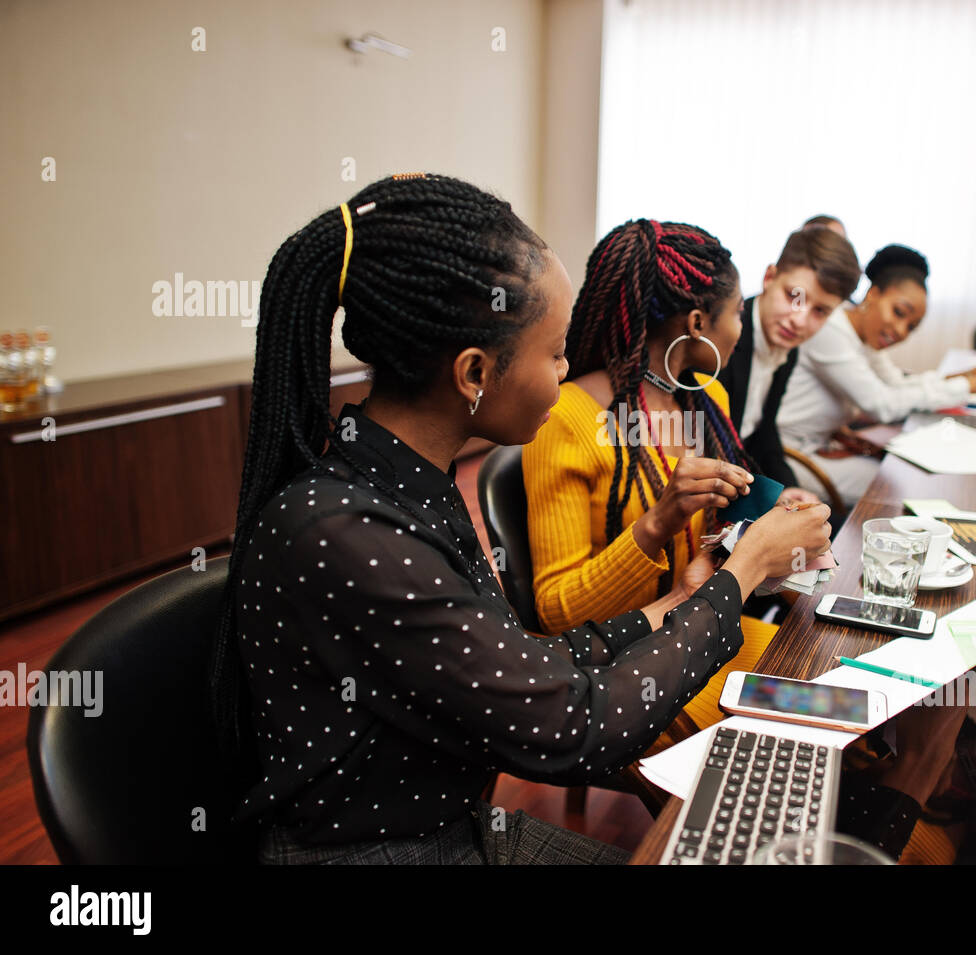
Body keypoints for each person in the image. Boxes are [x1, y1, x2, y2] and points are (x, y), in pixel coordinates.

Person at [212, 175, 832, 864]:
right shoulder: (349, 532)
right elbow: (575, 724)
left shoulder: (407, 483)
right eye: (557, 351)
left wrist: (683, 600)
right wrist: (739, 577)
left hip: (453, 823)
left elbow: (524, 660)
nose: (569, 372)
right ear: (475, 372)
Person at [522, 219, 818, 736]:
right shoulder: (567, 422)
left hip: (706, 628)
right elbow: (556, 618)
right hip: (630, 668)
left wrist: (769, 519)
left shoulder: (708, 401)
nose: (742, 329)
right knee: (805, 732)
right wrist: (659, 520)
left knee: (840, 704)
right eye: (740, 313)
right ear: (700, 322)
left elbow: (712, 542)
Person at [778, 244, 976, 503]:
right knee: (901, 485)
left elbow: (898, 384)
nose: (902, 331)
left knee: (908, 474)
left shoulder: (864, 338)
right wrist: (970, 385)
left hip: (823, 447)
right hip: (792, 457)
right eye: (899, 313)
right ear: (873, 294)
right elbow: (883, 405)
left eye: (911, 327)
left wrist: (967, 376)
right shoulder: (831, 329)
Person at [717, 225, 861, 489]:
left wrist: (790, 489)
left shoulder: (789, 349)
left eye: (820, 311)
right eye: (794, 296)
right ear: (769, 277)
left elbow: (764, 430)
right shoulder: (724, 337)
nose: (799, 320)